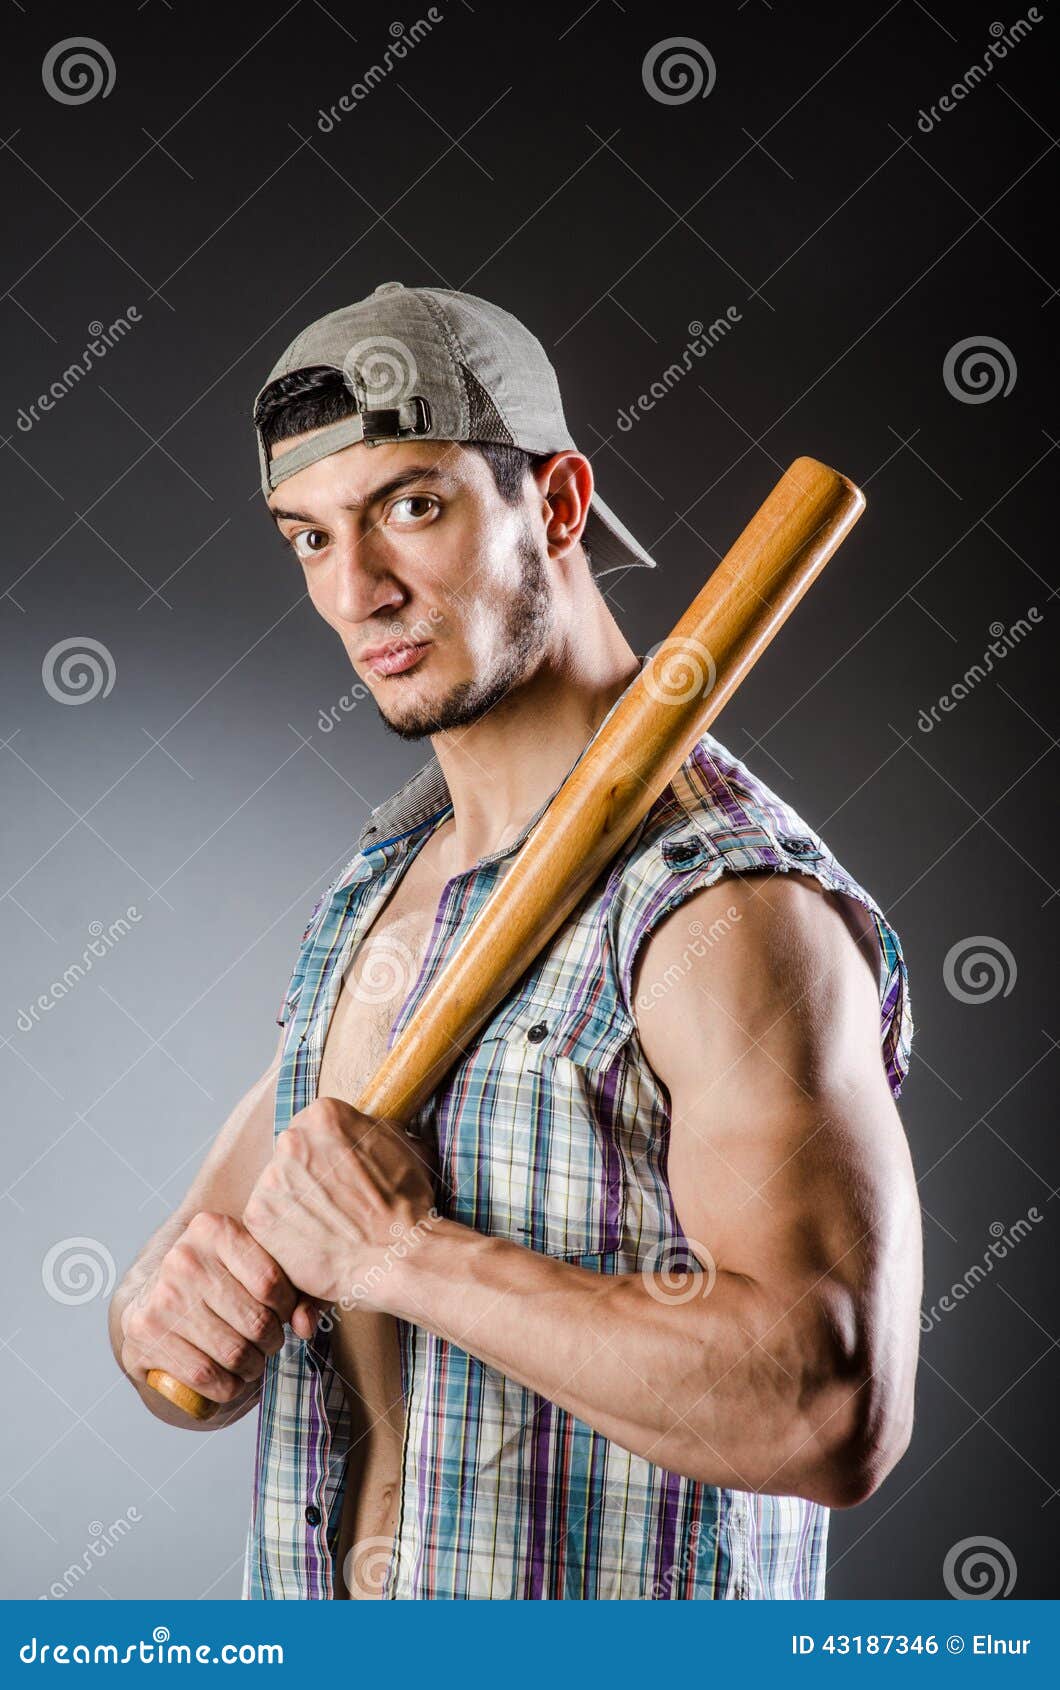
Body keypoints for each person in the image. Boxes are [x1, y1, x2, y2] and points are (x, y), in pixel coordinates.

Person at [109, 282, 920, 1600]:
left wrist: (406, 1258)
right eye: (308, 537)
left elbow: (828, 1405)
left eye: (409, 508)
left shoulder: (724, 910)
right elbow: (215, 1265)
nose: (357, 589)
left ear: (553, 504)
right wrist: (161, 1311)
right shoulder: (382, 891)